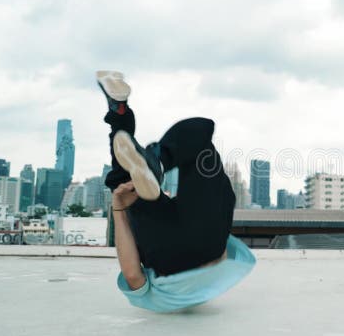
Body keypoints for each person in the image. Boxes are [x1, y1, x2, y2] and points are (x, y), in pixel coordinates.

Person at [97, 70, 255, 312]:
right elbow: (132, 274)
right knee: (126, 184)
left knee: (201, 135)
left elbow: (134, 276)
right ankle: (127, 122)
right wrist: (118, 208)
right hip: (169, 251)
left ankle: (153, 157)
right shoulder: (155, 301)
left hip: (206, 242)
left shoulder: (203, 287)